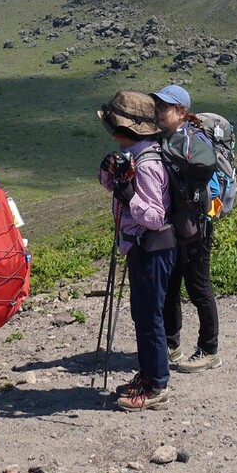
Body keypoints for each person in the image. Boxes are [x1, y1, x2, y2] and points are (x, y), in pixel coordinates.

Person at [97, 90, 178, 411]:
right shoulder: (133, 154)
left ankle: (157, 385)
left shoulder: (146, 165)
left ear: (126, 129)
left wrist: (129, 195)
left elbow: (155, 217)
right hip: (141, 247)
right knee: (142, 315)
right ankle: (148, 375)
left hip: (152, 248)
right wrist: (109, 173)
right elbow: (113, 187)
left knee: (149, 318)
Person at [153, 84, 222, 373]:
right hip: (175, 228)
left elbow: (210, 178)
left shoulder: (193, 141)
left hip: (197, 229)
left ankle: (209, 349)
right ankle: (172, 345)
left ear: (181, 112)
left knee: (198, 288)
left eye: (164, 107)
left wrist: (205, 218)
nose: (158, 112)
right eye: (157, 106)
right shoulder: (166, 139)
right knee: (170, 288)